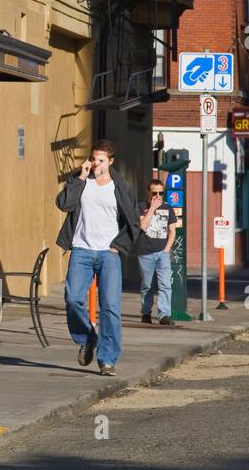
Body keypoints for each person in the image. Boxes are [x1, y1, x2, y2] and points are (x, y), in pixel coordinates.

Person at [55, 139, 140, 376]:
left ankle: (108, 359)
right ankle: (87, 337)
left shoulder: (121, 187)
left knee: (110, 307)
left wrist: (118, 246)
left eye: (101, 160)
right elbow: (63, 204)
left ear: (110, 161)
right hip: (81, 249)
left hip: (108, 253)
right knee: (72, 298)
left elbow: (133, 221)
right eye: (93, 159)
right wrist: (80, 178)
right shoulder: (81, 179)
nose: (96, 164)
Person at [138, 179, 178, 325]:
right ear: (149, 192)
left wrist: (167, 250)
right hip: (145, 252)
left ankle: (164, 315)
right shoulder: (141, 207)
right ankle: (146, 313)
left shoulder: (168, 208)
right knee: (147, 285)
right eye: (155, 192)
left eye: (161, 193)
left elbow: (172, 231)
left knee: (165, 284)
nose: (158, 195)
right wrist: (153, 208)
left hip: (163, 252)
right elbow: (142, 226)